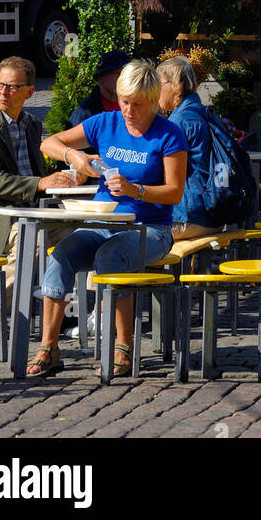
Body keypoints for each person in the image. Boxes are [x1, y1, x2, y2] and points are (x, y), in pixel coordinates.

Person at [32, 60, 187, 377]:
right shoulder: (106, 123)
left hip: (150, 229)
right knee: (62, 255)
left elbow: (174, 192)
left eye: (138, 105)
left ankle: (123, 345)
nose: (129, 111)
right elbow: (49, 142)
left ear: (155, 100)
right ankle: (49, 346)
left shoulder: (169, 134)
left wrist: (135, 190)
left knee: (111, 255)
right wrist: (75, 156)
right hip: (103, 222)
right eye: (124, 102)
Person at [0, 56, 77, 337]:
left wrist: (64, 182)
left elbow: (34, 171)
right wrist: (42, 183)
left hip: (27, 210)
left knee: (75, 232)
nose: (3, 92)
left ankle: (57, 306)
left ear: (30, 92)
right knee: (30, 237)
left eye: (11, 87)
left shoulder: (31, 124)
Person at [156, 56, 221, 240]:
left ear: (173, 85)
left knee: (124, 234)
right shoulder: (203, 112)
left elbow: (157, 167)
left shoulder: (179, 121)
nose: (156, 91)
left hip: (186, 217)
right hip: (212, 214)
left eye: (159, 84)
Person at [68, 50, 129, 128]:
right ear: (100, 78)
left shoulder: (133, 104)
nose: (123, 78)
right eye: (118, 73)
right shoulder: (86, 113)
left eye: (126, 73)